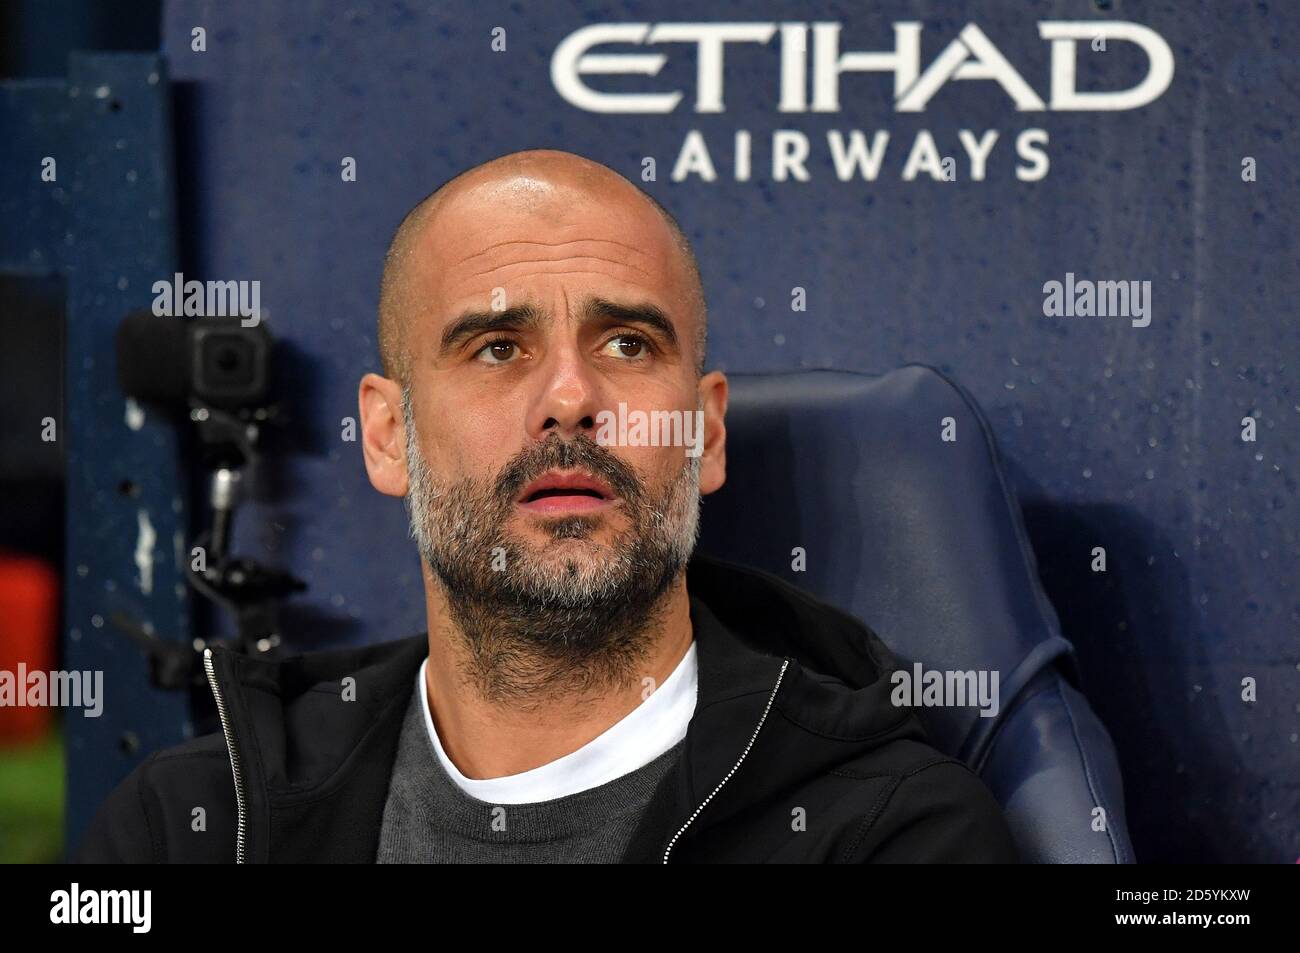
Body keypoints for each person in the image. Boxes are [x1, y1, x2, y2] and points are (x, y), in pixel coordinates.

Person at [76, 149, 1019, 863]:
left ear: (705, 433)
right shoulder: (197, 824)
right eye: (496, 347)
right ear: (389, 435)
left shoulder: (886, 833)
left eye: (627, 344)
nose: (570, 397)